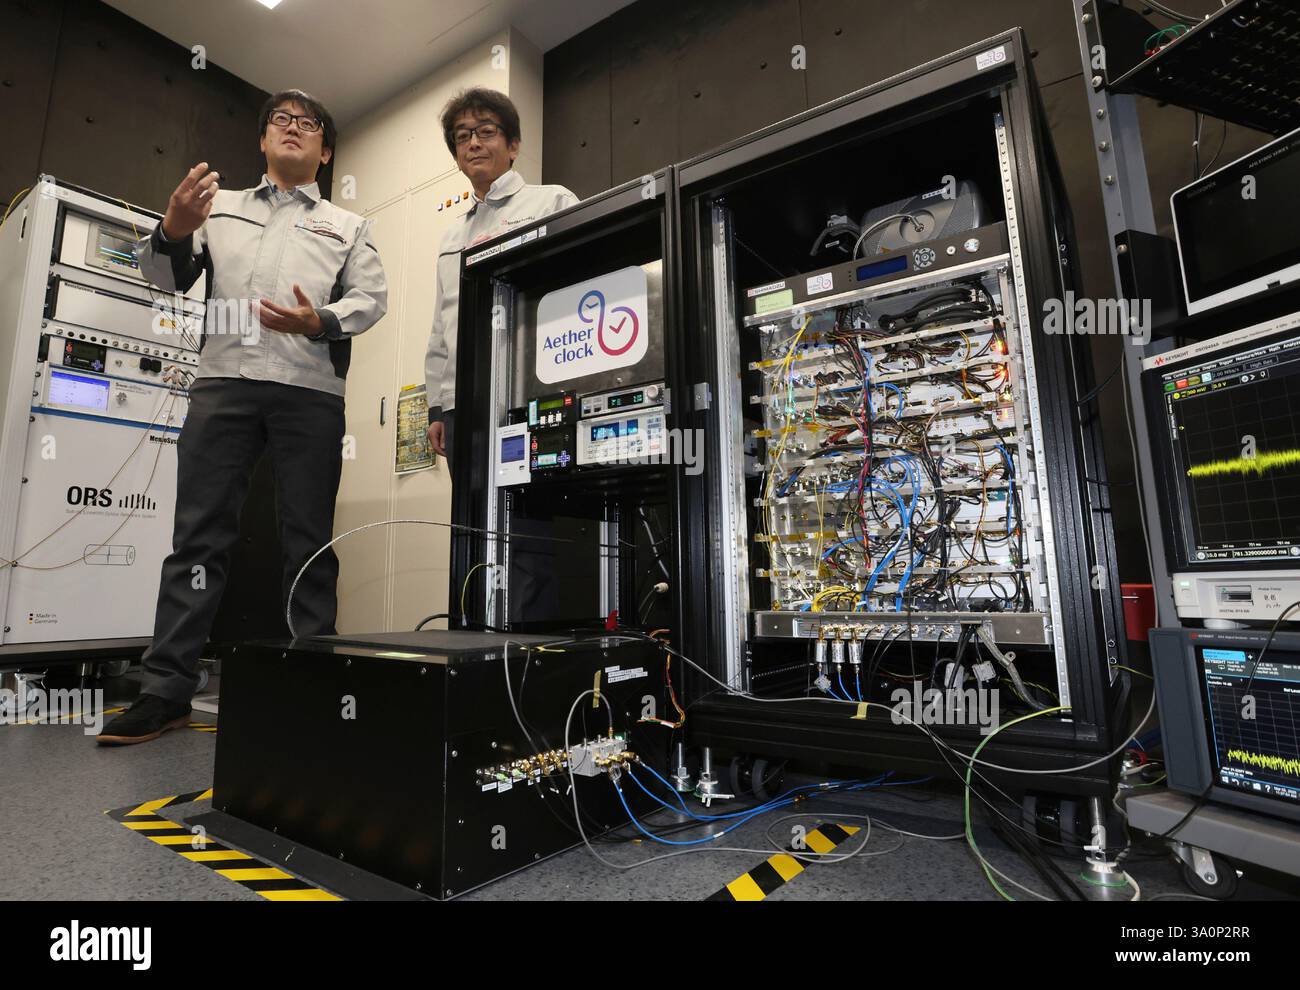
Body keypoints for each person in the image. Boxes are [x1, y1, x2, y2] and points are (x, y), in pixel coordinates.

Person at [98, 89, 388, 745]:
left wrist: (323, 320)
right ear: (262, 140)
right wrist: (171, 228)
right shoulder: (216, 208)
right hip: (223, 385)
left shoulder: (348, 225)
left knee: (308, 541)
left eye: (307, 123)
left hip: (309, 391)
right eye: (280, 120)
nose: (293, 128)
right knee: (197, 538)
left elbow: (372, 299)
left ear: (326, 149)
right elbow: (163, 279)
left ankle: (311, 682)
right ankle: (166, 690)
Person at [424, 88, 578, 471]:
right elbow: (441, 331)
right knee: (471, 520)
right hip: (463, 403)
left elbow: (580, 293)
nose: (473, 143)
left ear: (513, 146)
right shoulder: (450, 238)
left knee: (532, 516)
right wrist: (436, 409)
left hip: (533, 388)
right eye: (462, 136)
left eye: (486, 131)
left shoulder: (552, 203)